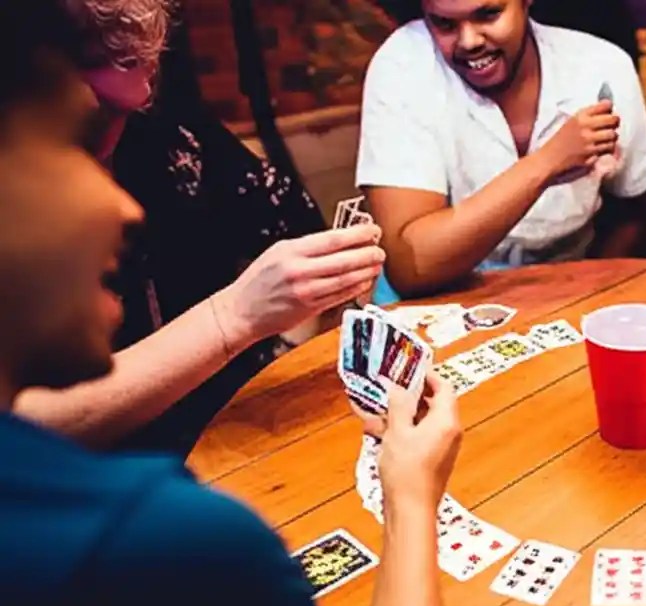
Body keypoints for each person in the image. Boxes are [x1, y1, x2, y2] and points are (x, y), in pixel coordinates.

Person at [0, 9, 460, 606]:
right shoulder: (179, 545)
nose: (120, 205)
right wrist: (411, 498)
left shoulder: (178, 139)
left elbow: (308, 245)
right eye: (74, 144)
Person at [13, 0, 386, 454]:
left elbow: (296, 226)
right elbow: (21, 427)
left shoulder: (166, 132)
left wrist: (301, 314)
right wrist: (235, 317)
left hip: (236, 441)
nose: (124, 210)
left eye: (137, 104)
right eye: (96, 117)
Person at [359, 0, 646, 302]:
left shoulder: (600, 67)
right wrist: (547, 162)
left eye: (488, 14)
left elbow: (634, 212)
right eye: (444, 24)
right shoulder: (403, 66)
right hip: (436, 302)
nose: (469, 41)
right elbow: (411, 268)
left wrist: (588, 296)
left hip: (571, 289)